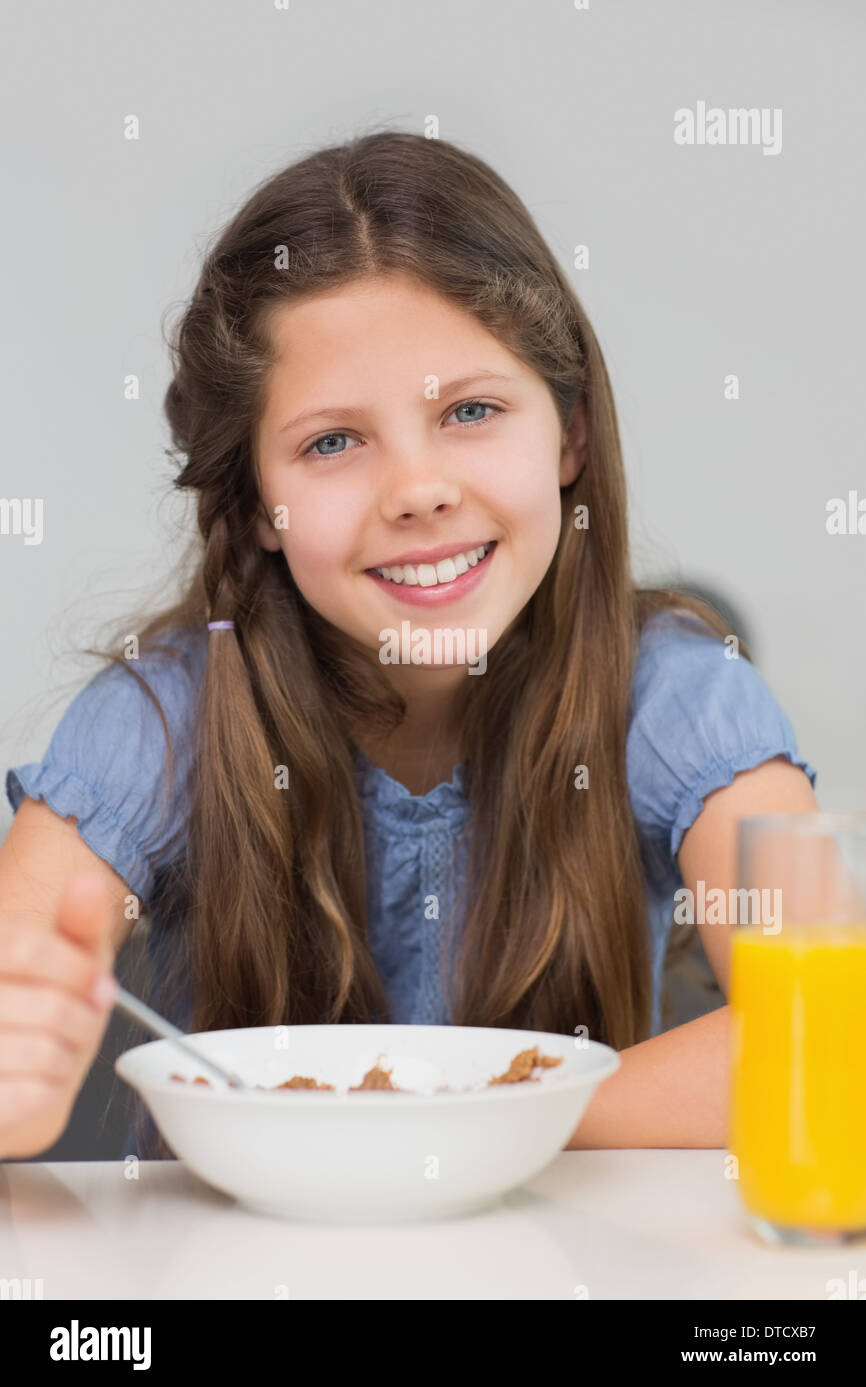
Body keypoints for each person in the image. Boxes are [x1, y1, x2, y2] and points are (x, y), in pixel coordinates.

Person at [0, 130, 819, 1162]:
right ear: (256, 502)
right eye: (332, 442)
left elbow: (829, 1049)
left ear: (568, 434)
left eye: (470, 410)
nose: (417, 490)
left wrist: (446, 1133)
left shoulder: (677, 697)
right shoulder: (161, 721)